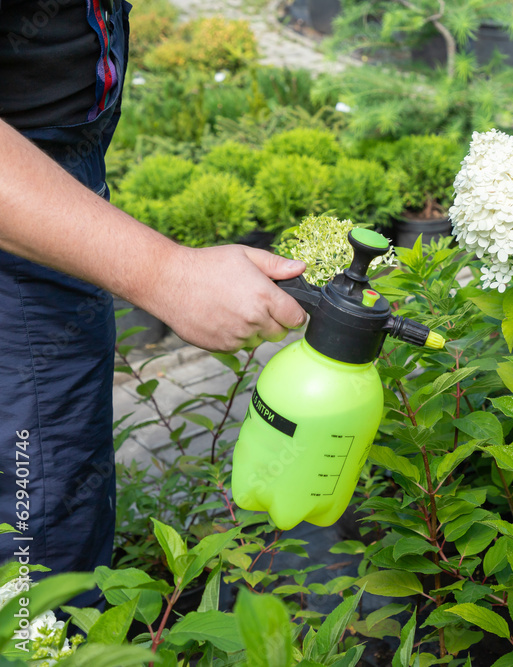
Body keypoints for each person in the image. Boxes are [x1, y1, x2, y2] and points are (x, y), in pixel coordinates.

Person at [0, 0, 307, 606]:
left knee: (65, 484)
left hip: (55, 184)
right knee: (34, 528)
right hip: (19, 205)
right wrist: (167, 273)